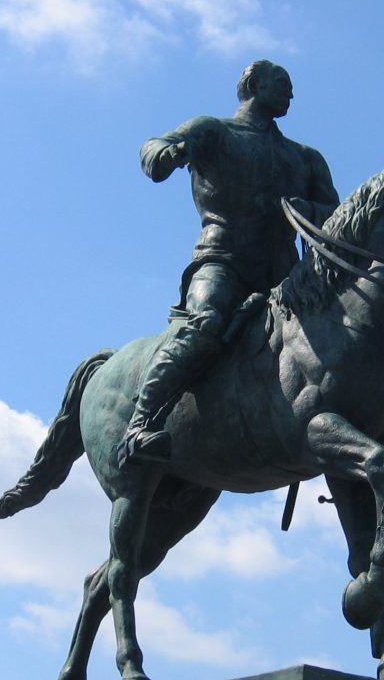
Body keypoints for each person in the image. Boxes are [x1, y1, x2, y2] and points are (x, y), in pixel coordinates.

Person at [118, 60, 340, 467]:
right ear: (254, 85)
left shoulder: (305, 158)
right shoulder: (214, 131)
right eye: (282, 85)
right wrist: (165, 154)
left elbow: (336, 218)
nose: (291, 94)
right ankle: (138, 424)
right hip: (223, 260)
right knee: (205, 324)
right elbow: (152, 147)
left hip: (285, 275)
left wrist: (305, 206)